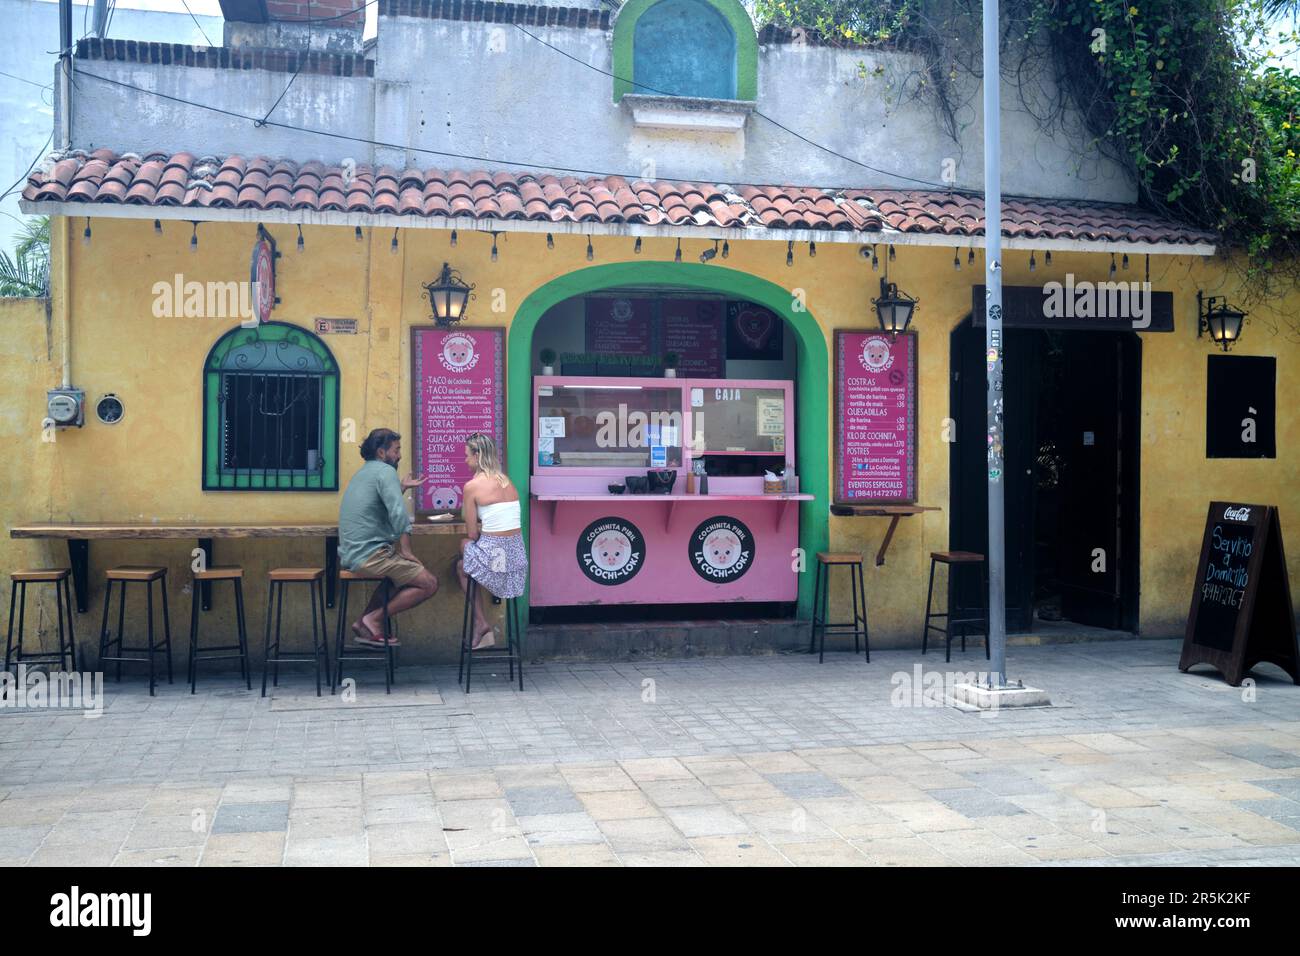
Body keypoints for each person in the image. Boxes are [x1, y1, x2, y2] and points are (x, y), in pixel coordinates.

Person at [338, 428, 438, 647]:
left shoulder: (364, 472)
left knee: (397, 578)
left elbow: (380, 505)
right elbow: (398, 512)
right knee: (429, 583)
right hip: (371, 556)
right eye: (397, 450)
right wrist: (406, 550)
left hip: (353, 554)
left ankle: (363, 623)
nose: (400, 455)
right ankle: (373, 619)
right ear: (382, 453)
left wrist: (401, 487)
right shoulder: (385, 472)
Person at [456, 433, 526, 649]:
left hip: (497, 563)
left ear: (477, 455)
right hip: (516, 564)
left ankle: (481, 623)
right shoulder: (506, 481)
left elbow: (472, 534)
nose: (465, 460)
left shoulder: (472, 486)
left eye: (467, 455)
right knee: (467, 556)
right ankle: (482, 625)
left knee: (462, 558)